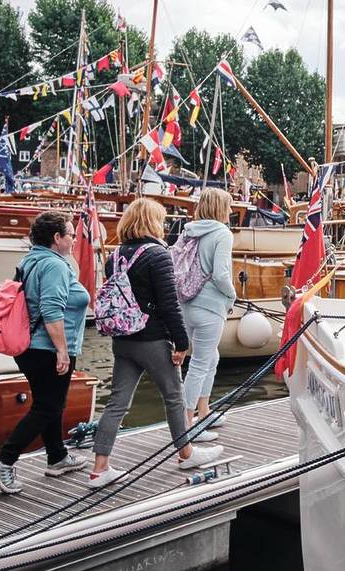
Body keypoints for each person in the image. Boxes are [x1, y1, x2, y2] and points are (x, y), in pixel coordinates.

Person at [88, 198, 222, 488]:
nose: (163, 224)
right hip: (152, 338)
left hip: (123, 339)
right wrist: (182, 342)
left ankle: (99, 468)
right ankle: (186, 453)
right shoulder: (158, 254)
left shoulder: (116, 255)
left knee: (116, 403)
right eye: (160, 219)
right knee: (173, 396)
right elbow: (169, 304)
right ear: (151, 221)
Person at [0, 212, 89, 494]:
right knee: (48, 407)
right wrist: (62, 351)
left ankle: (57, 456)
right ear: (57, 238)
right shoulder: (54, 265)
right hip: (47, 347)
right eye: (70, 235)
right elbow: (51, 310)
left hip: (30, 347)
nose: (73, 239)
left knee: (50, 402)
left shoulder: (31, 259)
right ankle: (3, 461)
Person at [179, 188, 236, 439]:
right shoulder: (222, 234)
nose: (232, 211)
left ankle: (204, 413)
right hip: (210, 306)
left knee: (210, 358)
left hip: (187, 304)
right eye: (229, 206)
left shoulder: (189, 231)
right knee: (200, 365)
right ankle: (186, 425)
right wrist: (232, 295)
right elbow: (221, 274)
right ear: (219, 208)